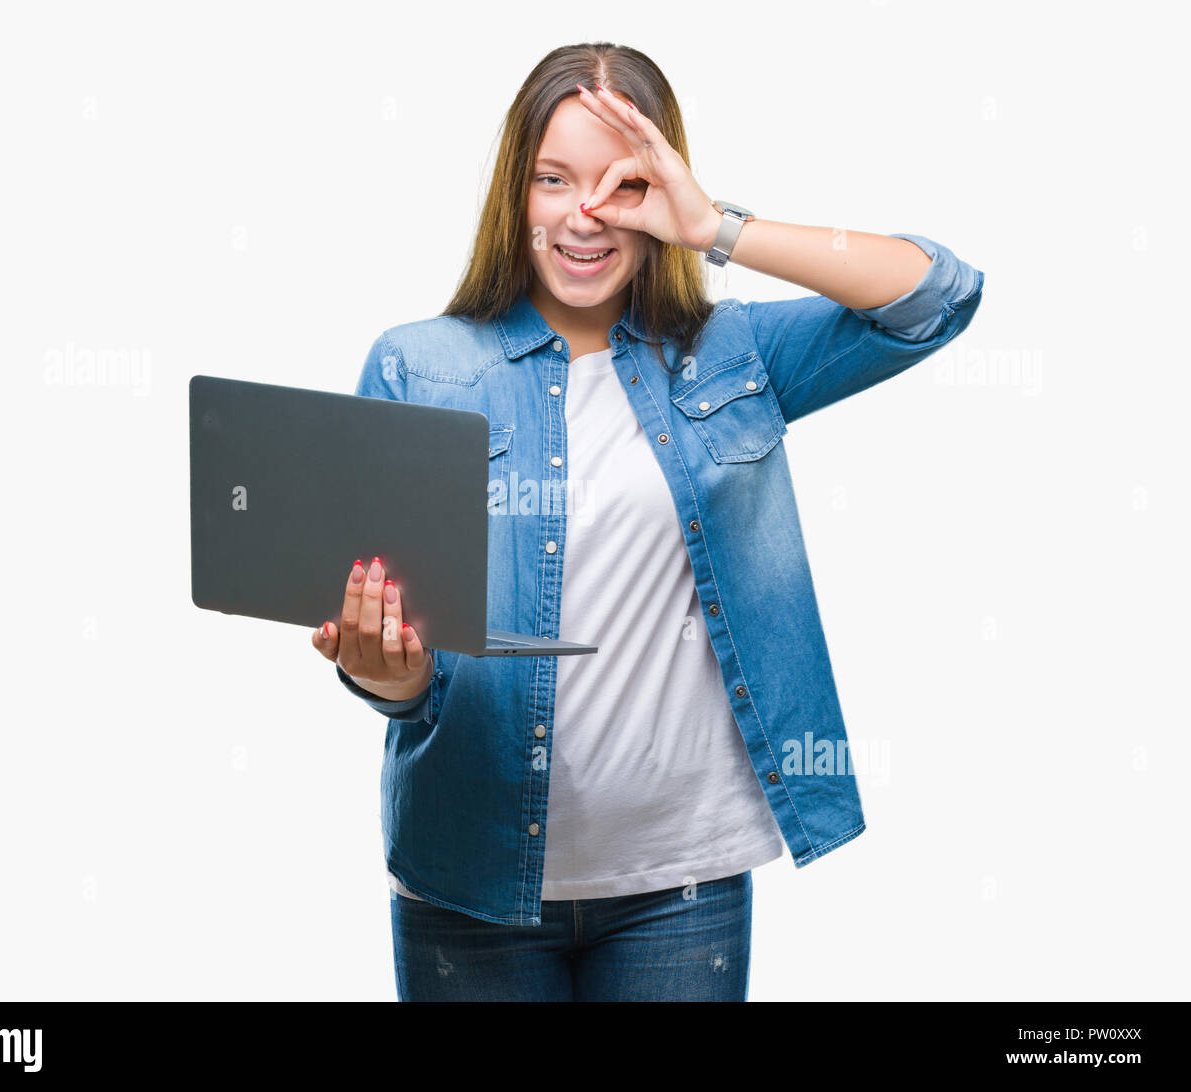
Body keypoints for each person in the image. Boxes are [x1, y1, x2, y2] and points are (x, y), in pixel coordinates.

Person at [313, 41, 984, 1002]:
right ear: (516, 194)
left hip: (683, 887)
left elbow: (935, 296)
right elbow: (399, 664)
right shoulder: (420, 368)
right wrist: (389, 675)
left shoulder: (729, 354)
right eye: (552, 180)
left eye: (620, 183)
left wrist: (714, 224)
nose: (584, 215)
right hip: (468, 883)